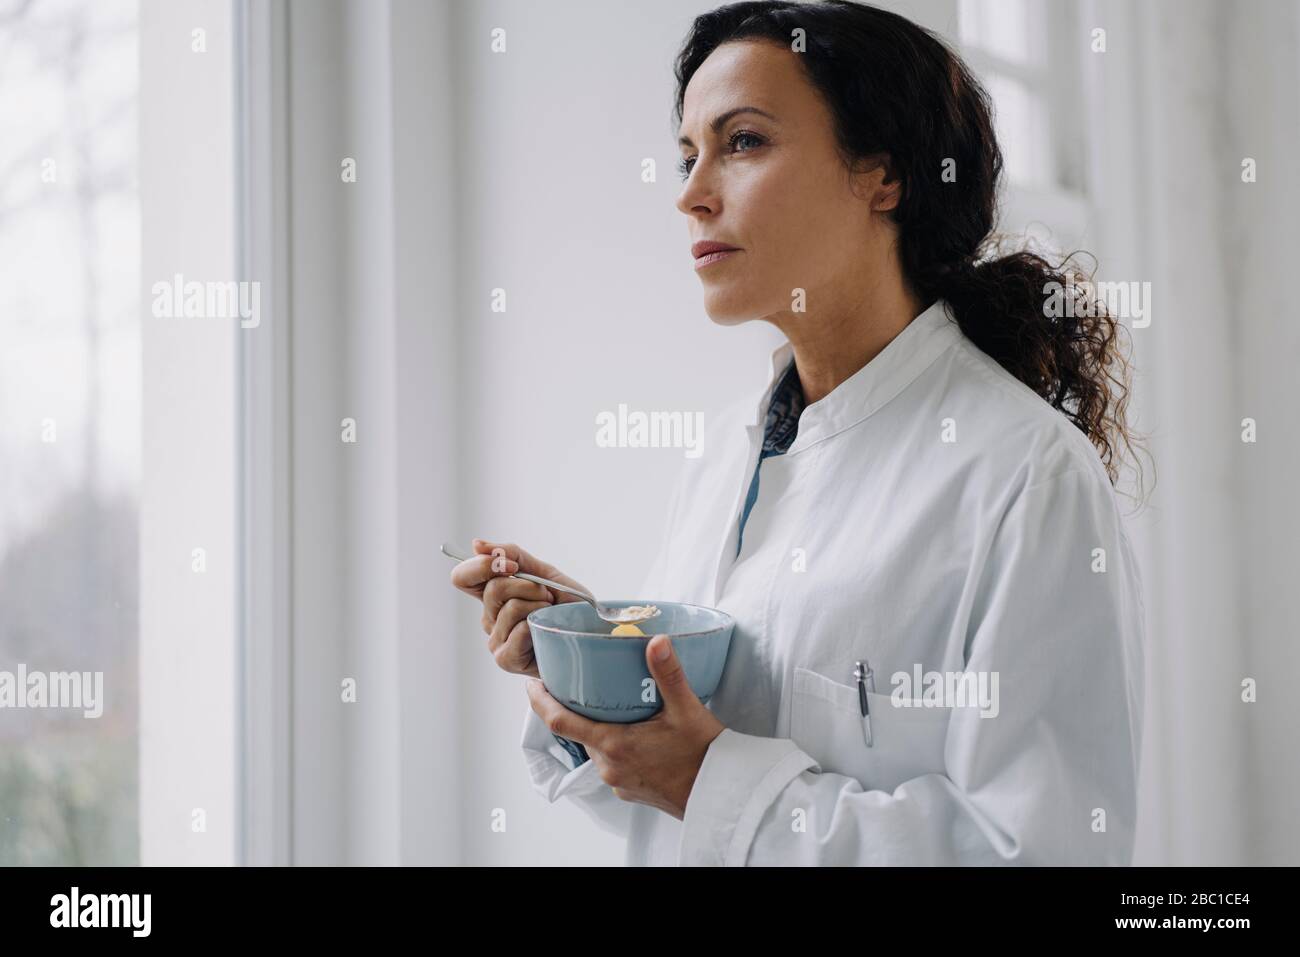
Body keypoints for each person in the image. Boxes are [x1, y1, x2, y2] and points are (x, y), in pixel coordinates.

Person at [450, 0, 1146, 866]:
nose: (691, 193)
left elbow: (1041, 851)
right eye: (687, 154)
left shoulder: (1023, 476)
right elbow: (682, 804)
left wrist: (714, 781)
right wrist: (597, 662)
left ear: (882, 175)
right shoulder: (722, 456)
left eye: (742, 142)